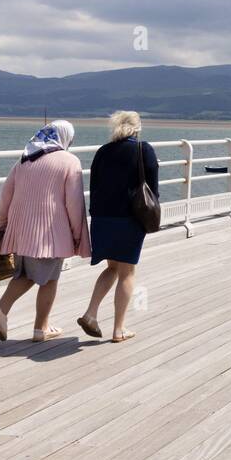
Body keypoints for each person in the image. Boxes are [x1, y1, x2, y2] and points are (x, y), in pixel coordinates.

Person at [0, 120, 90, 342]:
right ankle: (4, 310)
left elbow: (5, 198)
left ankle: (39, 327)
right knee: (48, 278)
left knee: (26, 273)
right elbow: (74, 204)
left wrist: (1, 226)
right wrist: (77, 233)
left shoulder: (25, 160)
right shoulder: (69, 161)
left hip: (20, 229)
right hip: (50, 233)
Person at [77, 111, 159, 343]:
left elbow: (94, 185)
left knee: (112, 267)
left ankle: (91, 313)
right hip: (130, 219)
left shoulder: (103, 152)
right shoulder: (144, 150)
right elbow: (153, 188)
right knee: (127, 272)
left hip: (103, 218)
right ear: (137, 127)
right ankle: (118, 329)